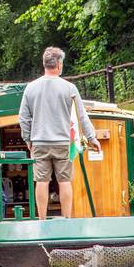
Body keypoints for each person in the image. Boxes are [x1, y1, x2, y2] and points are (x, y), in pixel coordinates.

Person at [18, 46, 101, 219]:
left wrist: (28, 139)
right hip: (63, 142)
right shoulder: (69, 88)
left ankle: (41, 220)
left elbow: (23, 118)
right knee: (64, 181)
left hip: (39, 142)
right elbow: (81, 116)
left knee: (41, 181)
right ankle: (67, 220)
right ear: (59, 64)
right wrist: (92, 138)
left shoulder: (30, 88)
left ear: (44, 64)